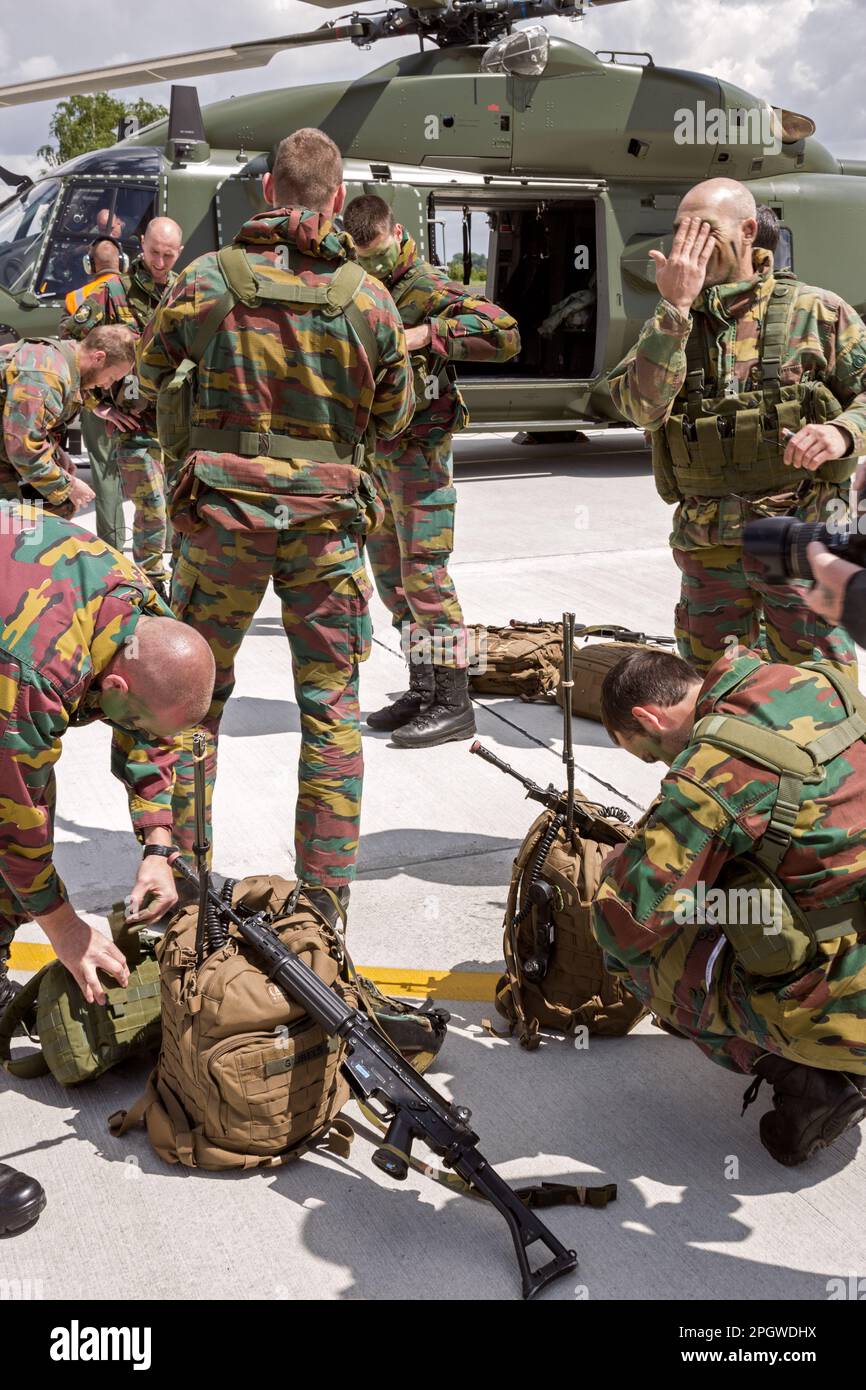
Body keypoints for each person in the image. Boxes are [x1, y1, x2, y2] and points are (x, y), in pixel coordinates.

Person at [137, 128, 414, 928]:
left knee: (194, 704)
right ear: (336, 198)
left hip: (219, 520)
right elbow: (394, 419)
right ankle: (322, 909)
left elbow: (146, 380)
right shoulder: (370, 298)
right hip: (326, 527)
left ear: (266, 193)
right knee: (331, 709)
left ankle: (184, 891)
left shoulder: (203, 281)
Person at [0, 504, 214, 1237]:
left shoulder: (135, 603)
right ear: (114, 690)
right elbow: (12, 815)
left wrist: (159, 843)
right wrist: (61, 926)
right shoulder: (31, 669)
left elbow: (157, 732)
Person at [593, 645, 866, 1167]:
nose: (662, 764)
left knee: (639, 959)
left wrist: (614, 865)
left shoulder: (713, 769)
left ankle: (808, 1078)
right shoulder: (819, 683)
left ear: (648, 717)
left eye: (649, 752)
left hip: (848, 998)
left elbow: (623, 923)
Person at [608, 177, 866, 678]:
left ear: (749, 231)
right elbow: (640, 408)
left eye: (705, 229)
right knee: (718, 688)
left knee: (820, 693)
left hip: (802, 544)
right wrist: (675, 312)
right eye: (682, 230)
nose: (692, 245)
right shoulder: (671, 323)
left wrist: (843, 430)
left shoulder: (816, 312)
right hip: (709, 553)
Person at [343, 193, 521, 746]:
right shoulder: (357, 287)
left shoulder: (428, 287)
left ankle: (453, 701)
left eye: (377, 255)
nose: (371, 267)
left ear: (397, 233)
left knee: (427, 580)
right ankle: (422, 688)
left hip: (421, 459)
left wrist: (428, 333)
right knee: (396, 584)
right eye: (362, 258)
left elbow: (506, 333)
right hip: (378, 461)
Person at [61, 218, 185, 596]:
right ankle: (151, 587)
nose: (160, 262)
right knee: (150, 510)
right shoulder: (115, 292)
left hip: (180, 424)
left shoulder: (185, 290)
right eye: (153, 252)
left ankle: (181, 584)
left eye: (168, 254)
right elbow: (71, 340)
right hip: (135, 426)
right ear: (141, 246)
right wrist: (99, 405)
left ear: (178, 252)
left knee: (181, 512)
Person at [0, 324, 136, 516]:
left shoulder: (68, 362)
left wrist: (57, 453)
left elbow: (33, 427)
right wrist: (69, 485)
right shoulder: (48, 375)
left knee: (60, 504)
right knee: (10, 525)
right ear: (99, 357)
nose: (107, 385)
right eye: (111, 377)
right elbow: (22, 447)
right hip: (11, 451)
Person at [61, 237, 127, 549]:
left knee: (106, 473)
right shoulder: (138, 291)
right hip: (143, 401)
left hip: (100, 403)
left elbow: (69, 343)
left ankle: (111, 548)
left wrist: (93, 400)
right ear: (123, 262)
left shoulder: (78, 297)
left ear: (91, 265)